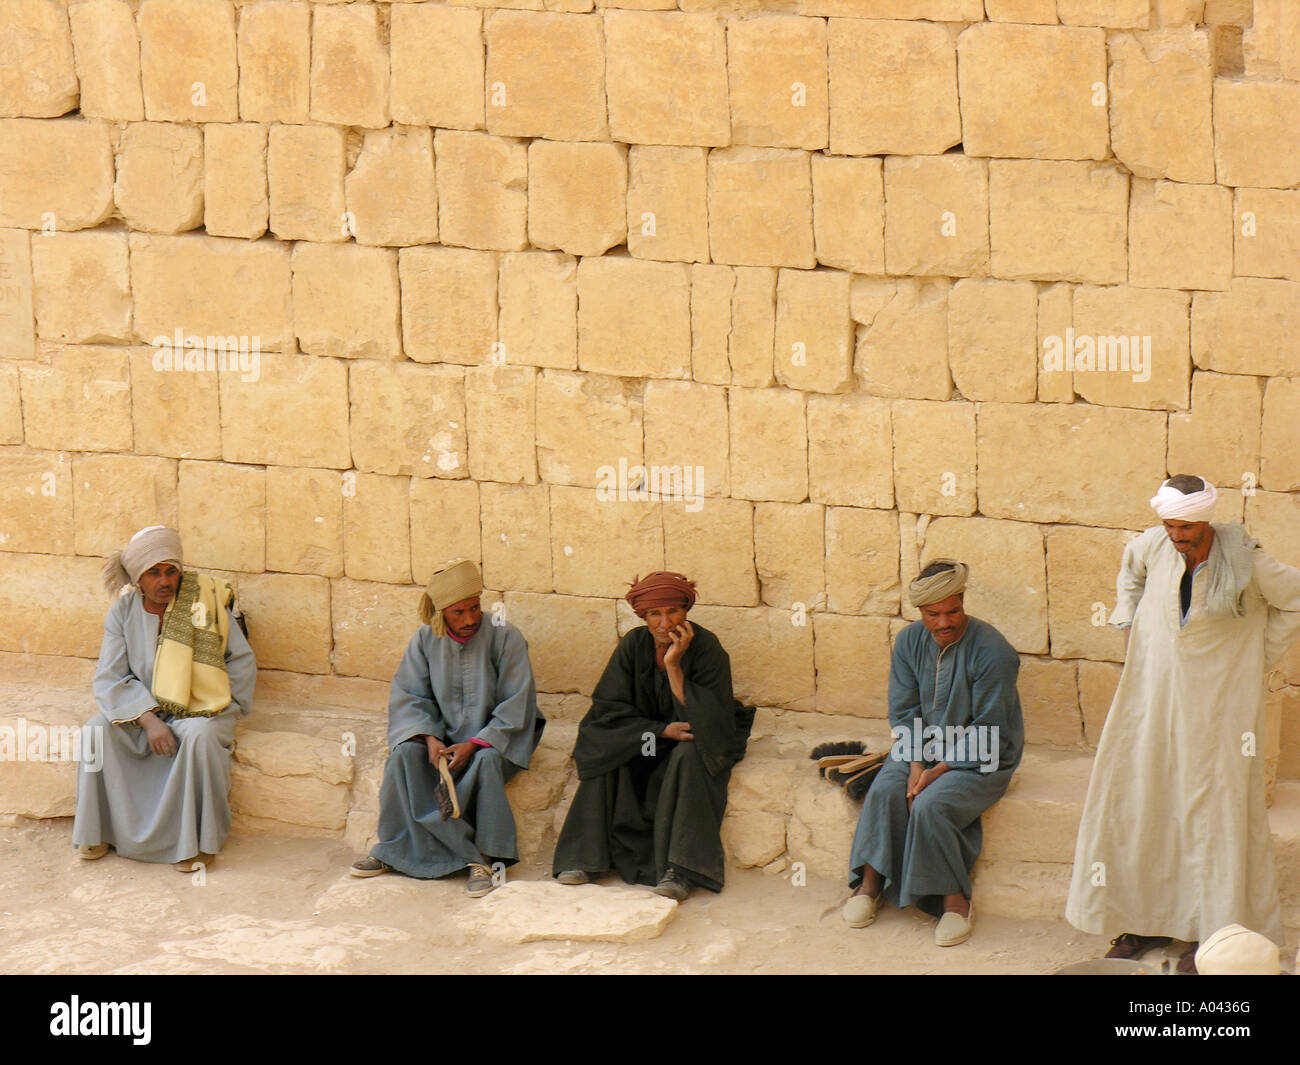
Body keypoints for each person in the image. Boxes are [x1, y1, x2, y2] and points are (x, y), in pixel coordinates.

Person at [1066, 475, 1300, 972]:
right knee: (1145, 804)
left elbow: (1294, 599)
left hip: (1220, 711)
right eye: (1170, 525)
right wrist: (1130, 626)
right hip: (1150, 701)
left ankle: (1211, 934)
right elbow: (1129, 577)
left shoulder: (1246, 559)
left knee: (1212, 814)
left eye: (1186, 527)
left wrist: (1256, 655)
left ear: (1205, 519)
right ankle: (1141, 921)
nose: (1178, 535)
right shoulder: (1153, 545)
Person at [843, 560, 1023, 946]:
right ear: (920, 613)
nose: (944, 622)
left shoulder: (994, 651)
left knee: (930, 805)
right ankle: (869, 885)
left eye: (952, 611)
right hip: (920, 749)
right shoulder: (909, 642)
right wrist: (915, 764)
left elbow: (992, 728)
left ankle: (955, 902)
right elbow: (905, 712)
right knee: (886, 790)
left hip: (983, 754)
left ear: (963, 602)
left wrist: (938, 770)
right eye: (933, 614)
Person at [552, 572, 754, 901]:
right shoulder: (633, 646)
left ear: (686, 611)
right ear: (643, 617)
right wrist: (657, 731)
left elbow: (708, 721)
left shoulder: (706, 648)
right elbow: (608, 709)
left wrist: (674, 666)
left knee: (691, 757)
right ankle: (585, 859)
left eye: (673, 611)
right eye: (654, 614)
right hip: (649, 738)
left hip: (693, 739)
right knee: (607, 748)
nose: (664, 623)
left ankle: (679, 870)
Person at [350, 559, 544, 897]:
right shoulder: (425, 640)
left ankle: (483, 860)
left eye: (474, 608)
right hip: (442, 741)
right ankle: (393, 850)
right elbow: (410, 696)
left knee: (484, 764)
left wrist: (475, 742)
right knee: (402, 757)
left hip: (496, 740)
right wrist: (428, 737)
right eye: (459, 613)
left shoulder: (505, 636)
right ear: (442, 614)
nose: (470, 619)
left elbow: (517, 704)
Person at [73, 525, 256, 871]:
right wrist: (149, 719)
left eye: (171, 571)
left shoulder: (205, 602)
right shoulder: (123, 613)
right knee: (96, 731)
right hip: (144, 711)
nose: (164, 581)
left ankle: (197, 845)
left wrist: (220, 708)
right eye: (153, 573)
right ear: (138, 578)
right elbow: (111, 676)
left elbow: (241, 661)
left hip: (203, 710)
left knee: (199, 738)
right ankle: (98, 832)